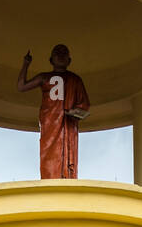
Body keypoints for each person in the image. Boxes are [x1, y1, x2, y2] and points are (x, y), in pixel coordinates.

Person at [16, 43, 90, 179]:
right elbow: (21, 86)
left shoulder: (75, 80)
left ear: (69, 60)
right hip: (49, 121)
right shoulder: (44, 77)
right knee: (49, 152)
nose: (61, 55)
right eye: (57, 53)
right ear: (51, 60)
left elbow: (84, 104)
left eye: (64, 53)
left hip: (68, 124)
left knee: (68, 155)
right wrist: (25, 64)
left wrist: (74, 112)